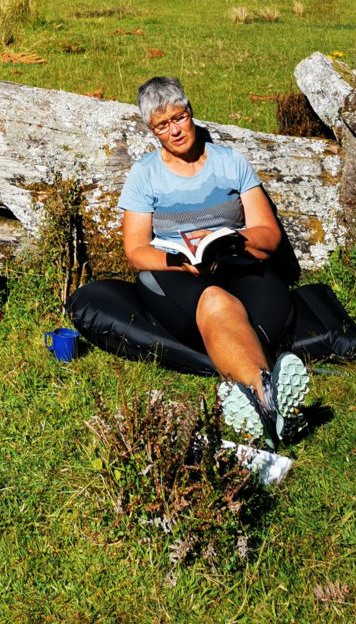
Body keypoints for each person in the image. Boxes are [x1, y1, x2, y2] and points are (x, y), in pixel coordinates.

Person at [119, 76, 310, 446]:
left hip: (237, 262)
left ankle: (262, 407)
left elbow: (269, 234)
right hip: (180, 272)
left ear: (191, 113)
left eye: (179, 118)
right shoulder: (145, 174)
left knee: (250, 310)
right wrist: (181, 260)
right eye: (162, 125)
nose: (175, 131)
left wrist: (234, 241)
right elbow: (136, 250)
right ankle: (268, 398)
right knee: (216, 301)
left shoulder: (229, 162)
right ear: (152, 131)